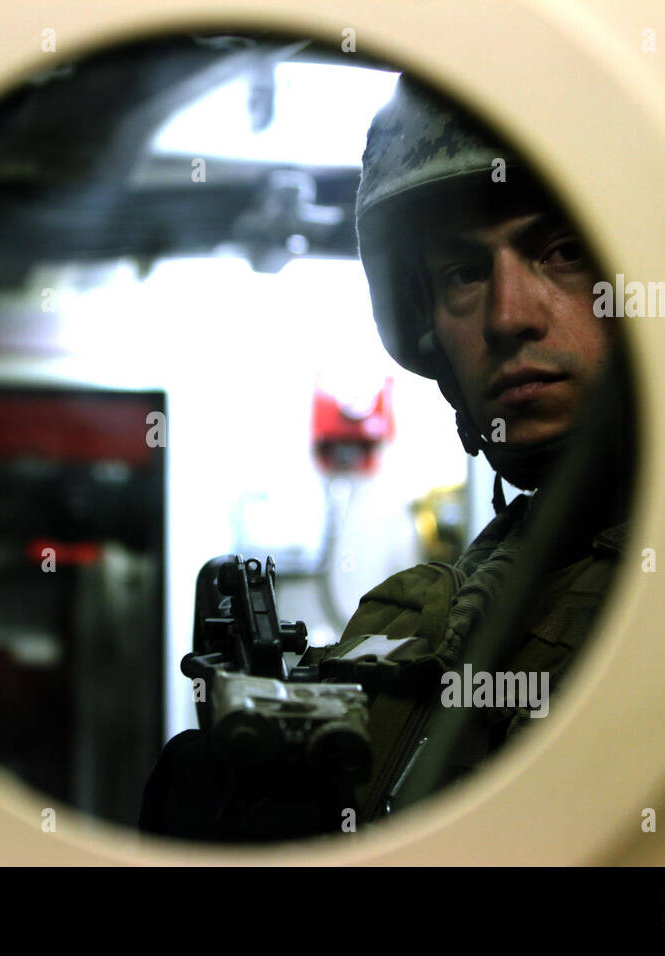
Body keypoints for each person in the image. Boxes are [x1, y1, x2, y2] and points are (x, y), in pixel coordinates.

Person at [139, 74, 635, 841]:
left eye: (561, 252)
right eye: (463, 274)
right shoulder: (440, 603)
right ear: (428, 323)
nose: (509, 315)